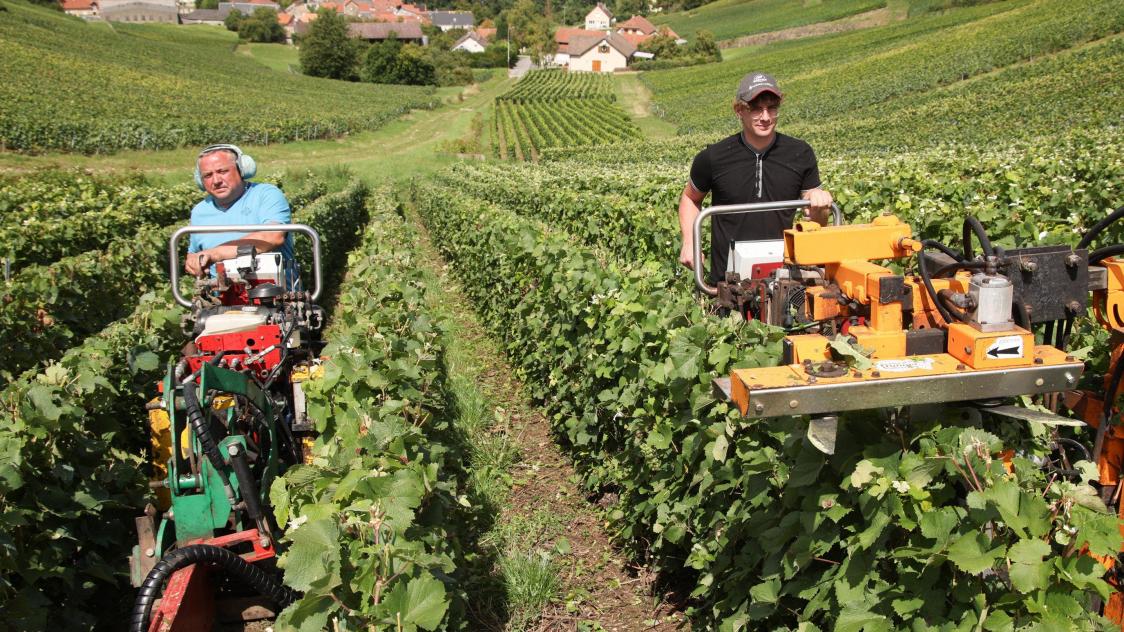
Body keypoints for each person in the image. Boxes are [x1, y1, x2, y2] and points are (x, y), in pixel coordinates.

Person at [677, 72, 833, 284]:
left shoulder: (800, 153)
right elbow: (690, 198)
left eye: (772, 108)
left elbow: (816, 223)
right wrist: (689, 242)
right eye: (756, 109)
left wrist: (820, 205)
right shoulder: (714, 157)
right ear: (739, 110)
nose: (766, 117)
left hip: (785, 279)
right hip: (726, 283)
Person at [185, 144, 293, 278]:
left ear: (241, 169)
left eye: (222, 171)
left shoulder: (266, 194)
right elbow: (193, 253)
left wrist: (215, 254)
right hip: (221, 296)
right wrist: (193, 262)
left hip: (274, 294)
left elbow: (273, 236)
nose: (216, 180)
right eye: (208, 175)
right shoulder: (199, 211)